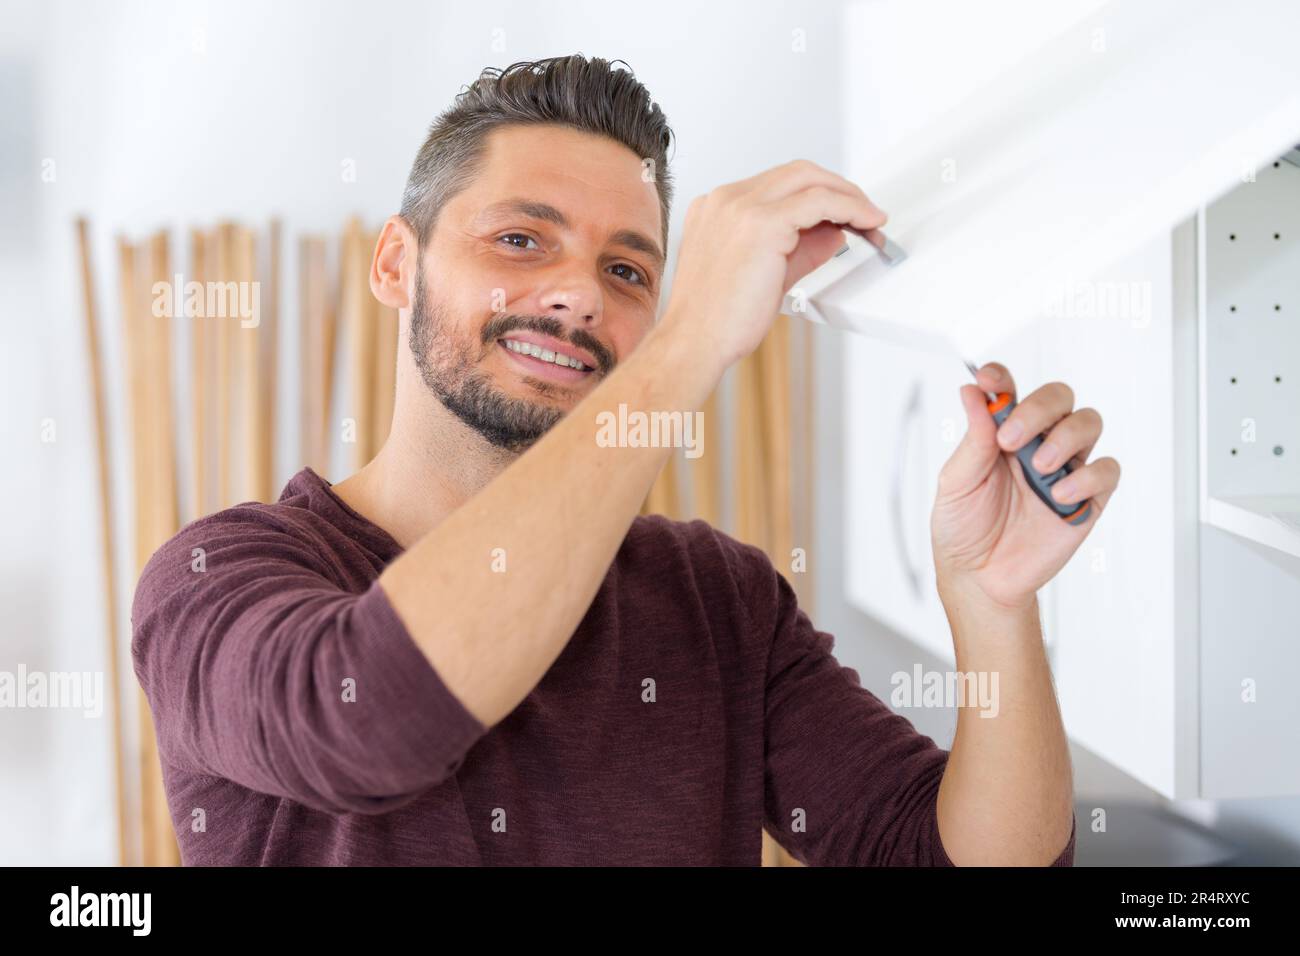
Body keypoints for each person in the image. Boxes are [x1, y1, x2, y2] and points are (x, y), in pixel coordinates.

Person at [131, 54, 1119, 866]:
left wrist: (992, 608)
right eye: (520, 239)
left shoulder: (713, 596)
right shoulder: (218, 576)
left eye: (626, 270)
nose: (579, 296)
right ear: (398, 263)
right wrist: (689, 340)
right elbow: (372, 716)